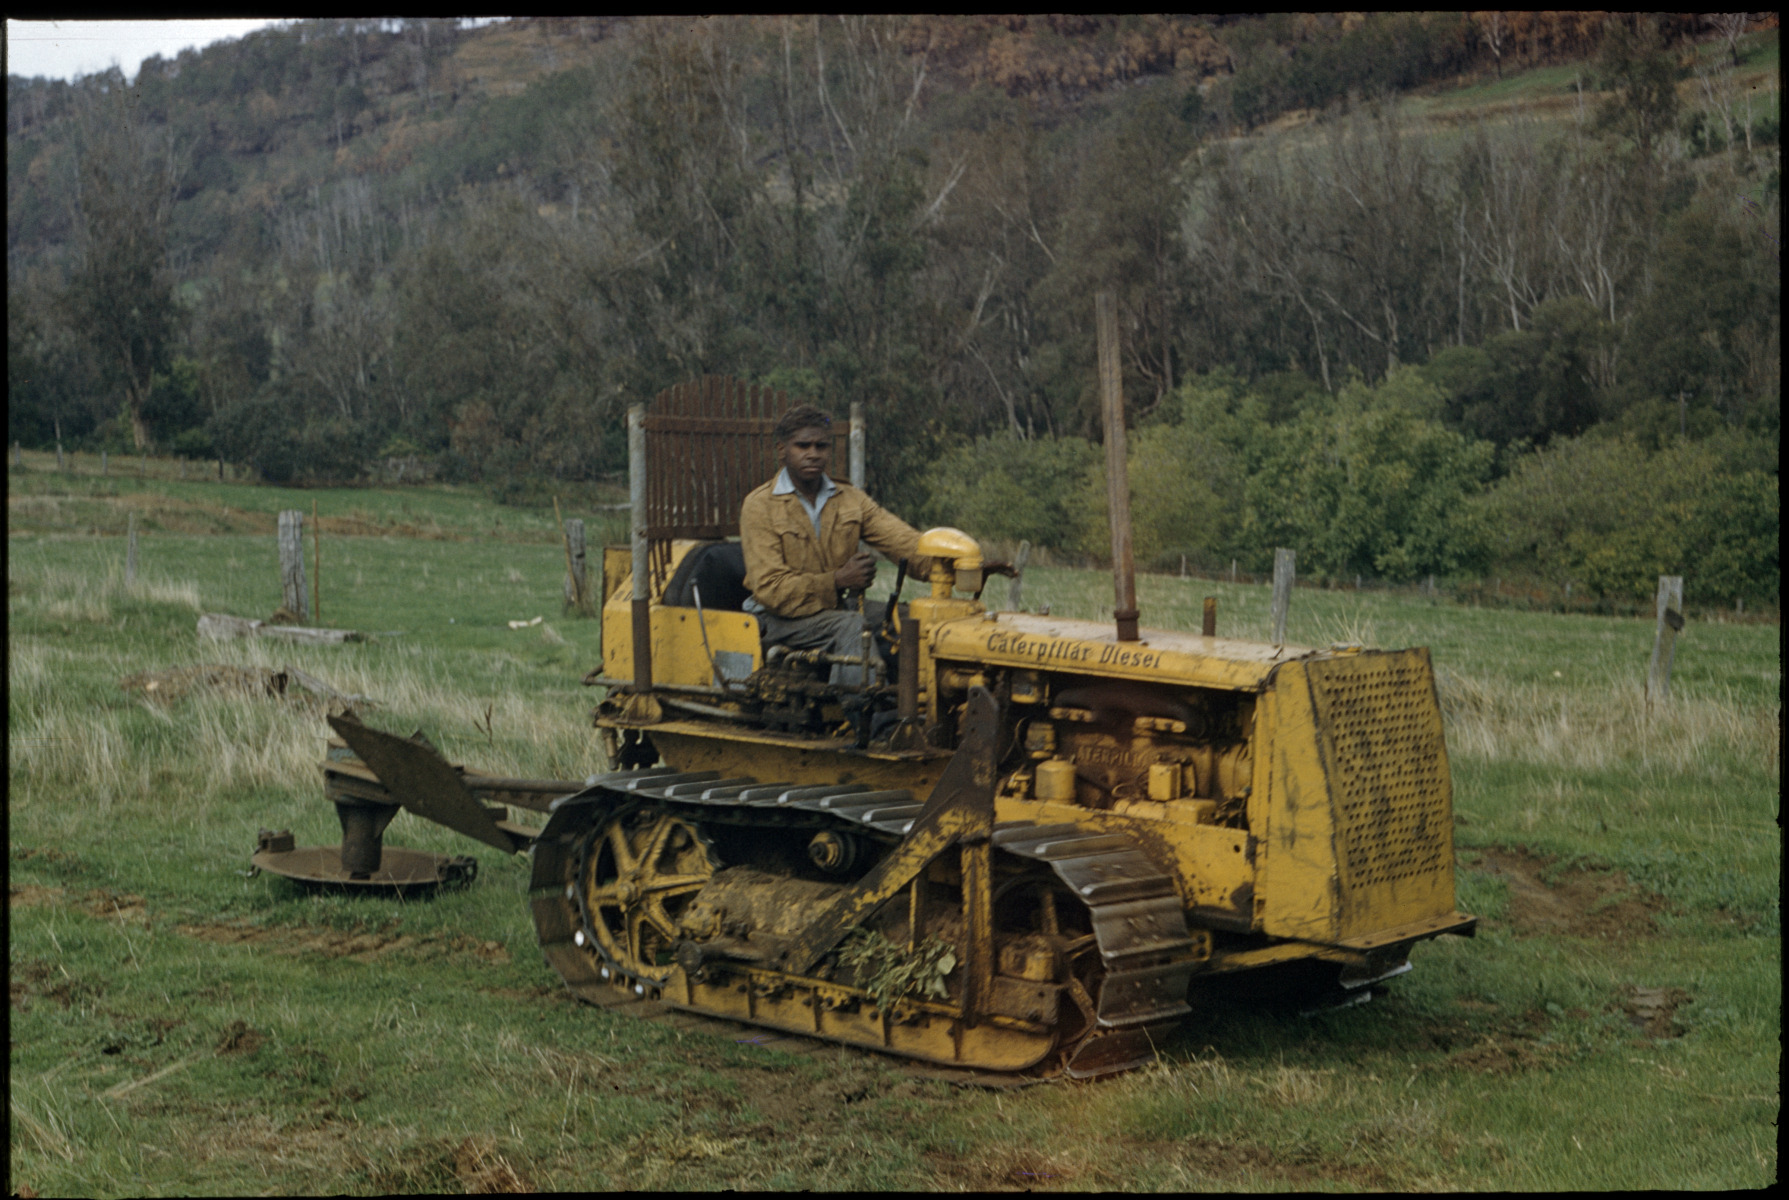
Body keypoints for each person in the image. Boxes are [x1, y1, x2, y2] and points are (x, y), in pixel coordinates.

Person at [739, 404, 1006, 686]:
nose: (813, 454)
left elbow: (906, 544)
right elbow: (771, 589)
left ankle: (932, 707)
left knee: (916, 619)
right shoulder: (760, 506)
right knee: (851, 627)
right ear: (782, 450)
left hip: (836, 607)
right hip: (777, 620)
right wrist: (837, 580)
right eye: (802, 445)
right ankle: (865, 717)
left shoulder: (850, 499)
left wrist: (965, 567)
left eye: (821, 446)